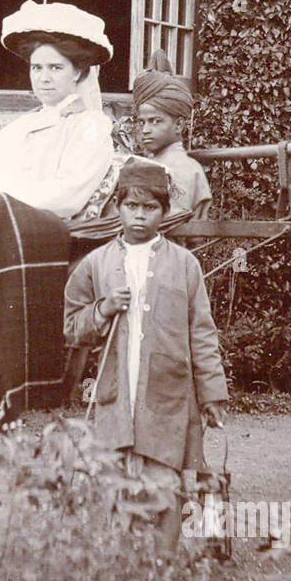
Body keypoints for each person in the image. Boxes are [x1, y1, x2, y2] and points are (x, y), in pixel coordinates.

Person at [64, 160, 228, 554]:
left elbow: (202, 332)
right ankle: (130, 571)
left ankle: (164, 567)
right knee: (121, 486)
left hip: (168, 395)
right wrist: (102, 309)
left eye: (150, 207)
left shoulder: (185, 265)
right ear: (117, 207)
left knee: (167, 484)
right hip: (117, 396)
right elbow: (71, 326)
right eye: (131, 206)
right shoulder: (96, 263)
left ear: (165, 212)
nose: (140, 215)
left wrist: (212, 394)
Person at [0, 1, 116, 221]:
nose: (44, 78)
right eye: (36, 68)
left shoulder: (90, 126)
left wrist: (1, 197)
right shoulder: (19, 127)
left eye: (56, 68)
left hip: (48, 228)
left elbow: (67, 198)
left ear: (77, 72)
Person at [130, 53, 212, 219]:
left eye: (155, 121)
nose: (145, 130)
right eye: (141, 122)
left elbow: (180, 229)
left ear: (179, 125)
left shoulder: (184, 169)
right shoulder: (150, 163)